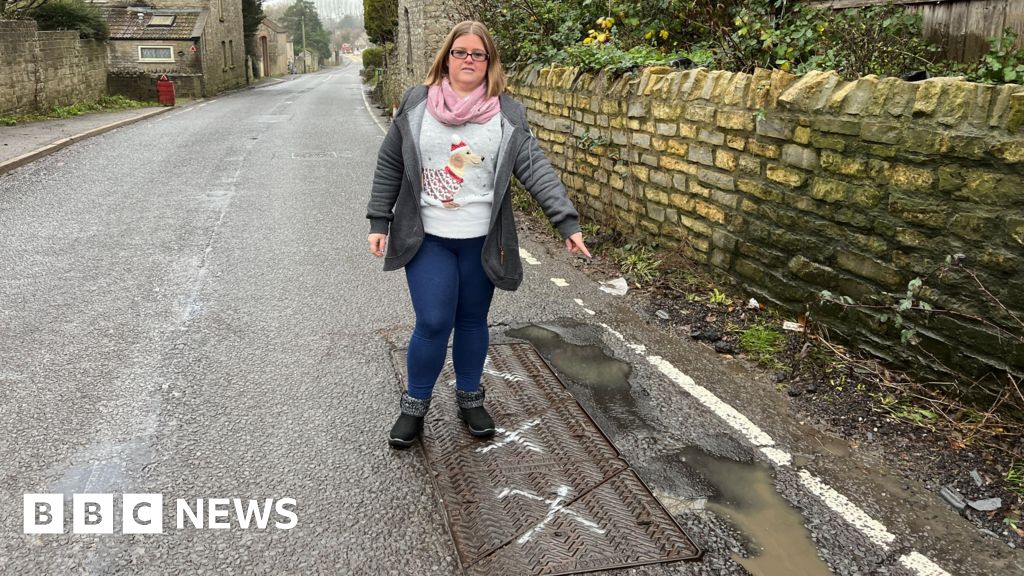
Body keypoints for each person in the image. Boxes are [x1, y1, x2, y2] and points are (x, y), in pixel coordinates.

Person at [367, 21, 591, 449]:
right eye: (460, 52)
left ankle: (470, 397)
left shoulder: (506, 112)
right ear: (446, 58)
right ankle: (415, 404)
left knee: (471, 321)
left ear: (489, 63)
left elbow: (535, 168)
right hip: (426, 236)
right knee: (433, 321)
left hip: (482, 240)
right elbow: (390, 164)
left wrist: (566, 222)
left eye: (478, 54)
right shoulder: (417, 103)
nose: (468, 60)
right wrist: (380, 220)